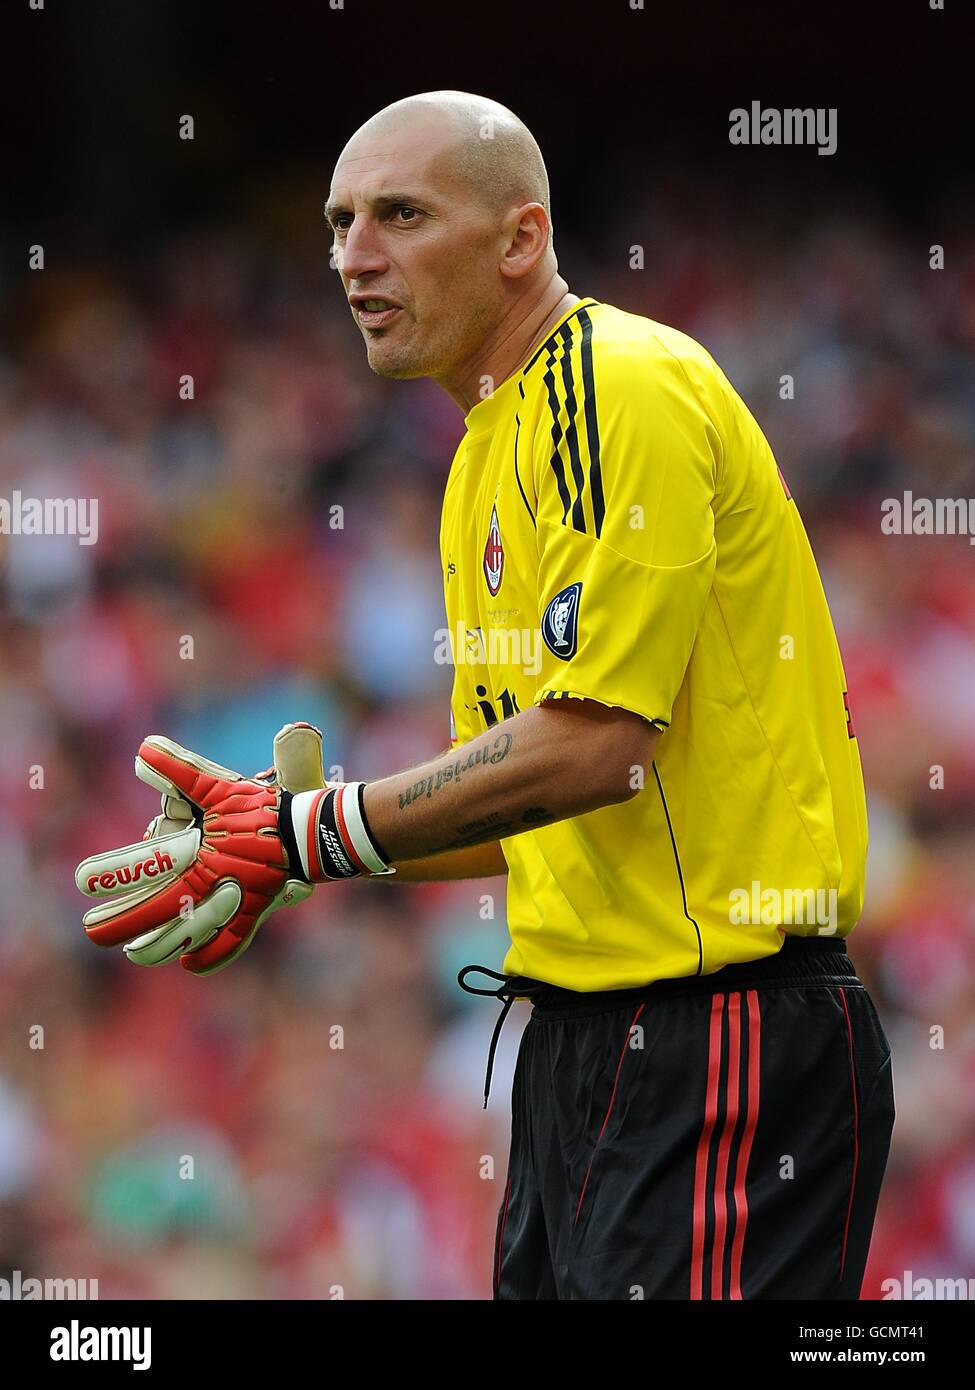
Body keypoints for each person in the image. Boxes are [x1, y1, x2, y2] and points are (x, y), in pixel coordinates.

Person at [78, 91, 894, 1300]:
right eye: (340, 221)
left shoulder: (624, 383)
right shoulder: (477, 459)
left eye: (400, 215)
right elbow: (512, 805)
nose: (354, 258)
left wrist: (314, 830)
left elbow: (597, 748)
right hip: (580, 1048)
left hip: (724, 1038)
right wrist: (291, 845)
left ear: (521, 237)